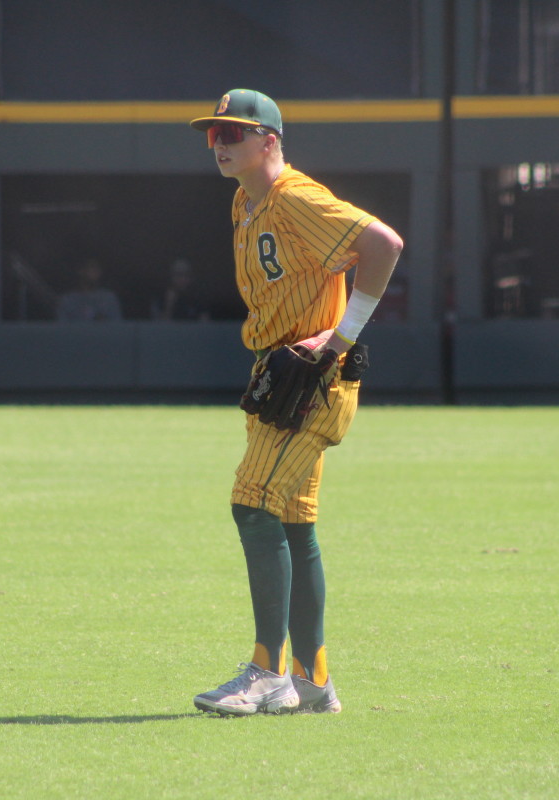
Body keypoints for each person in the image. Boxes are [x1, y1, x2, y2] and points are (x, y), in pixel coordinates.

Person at [187, 89, 403, 716]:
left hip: (311, 379)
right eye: (213, 134)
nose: (221, 144)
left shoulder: (295, 198)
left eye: (235, 133)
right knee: (292, 522)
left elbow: (383, 246)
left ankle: (266, 673)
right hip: (281, 375)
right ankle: (313, 680)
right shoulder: (245, 201)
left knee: (251, 505)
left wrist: (340, 337)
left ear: (270, 140)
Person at [55, 257, 123, 322]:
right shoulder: (67, 300)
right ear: (81, 271)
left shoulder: (109, 298)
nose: (96, 272)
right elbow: (62, 328)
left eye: (98, 269)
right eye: (92, 267)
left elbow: (118, 325)